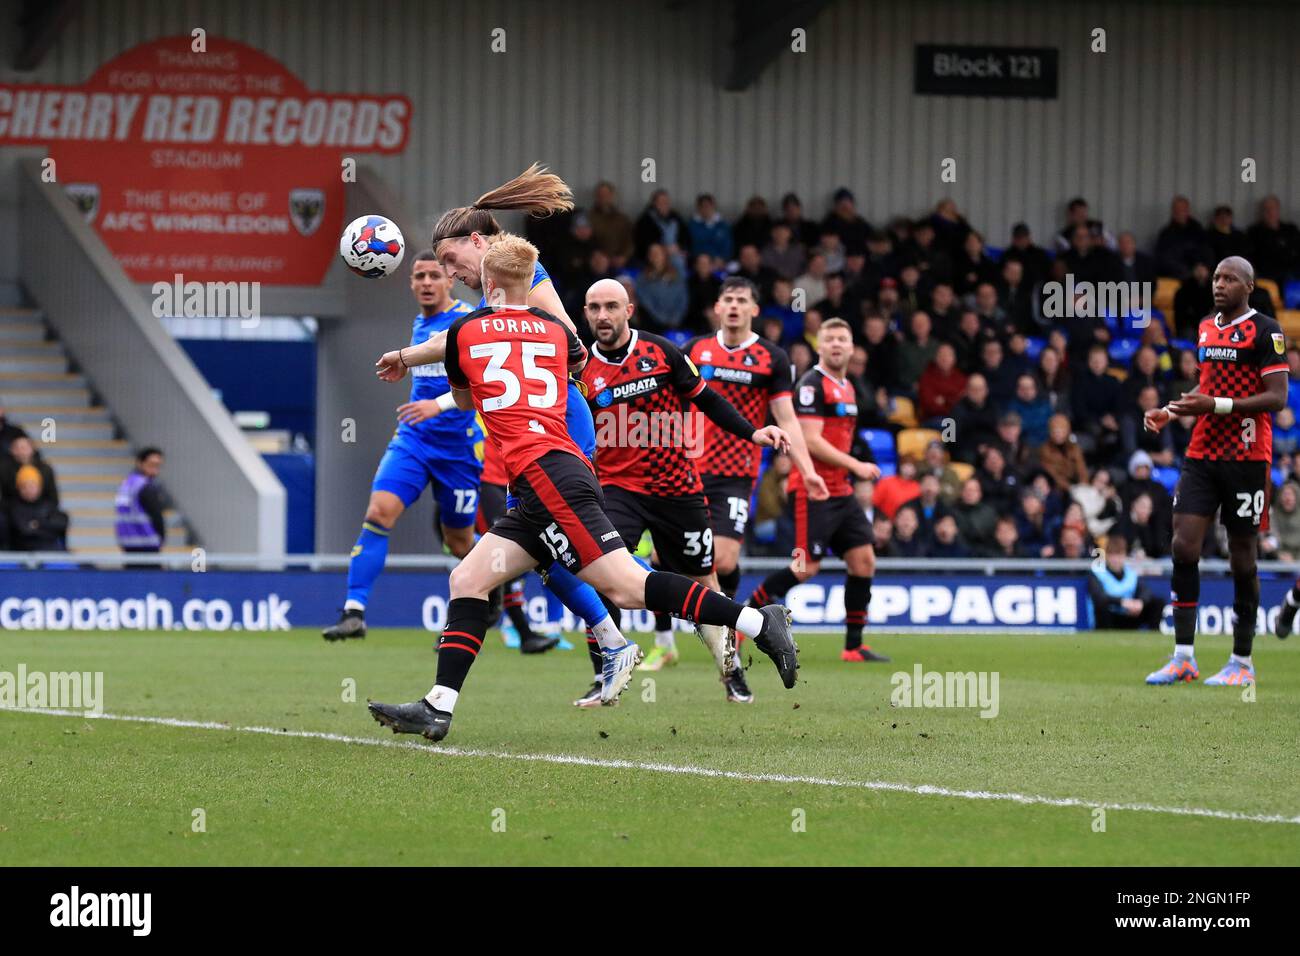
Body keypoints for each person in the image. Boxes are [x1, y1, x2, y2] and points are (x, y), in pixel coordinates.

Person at [367, 236, 799, 743]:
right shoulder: (557, 333)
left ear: (487, 283)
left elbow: (463, 399)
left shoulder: (465, 329)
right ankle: (438, 706)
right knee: (468, 579)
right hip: (550, 473)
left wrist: (409, 358)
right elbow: (569, 368)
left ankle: (757, 621)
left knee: (626, 587)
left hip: (545, 473)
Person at [387, 164, 634, 701]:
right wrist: (407, 358)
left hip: (558, 431)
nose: (448, 274)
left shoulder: (528, 281)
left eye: (451, 262)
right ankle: (616, 639)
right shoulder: (493, 300)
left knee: (596, 568)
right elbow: (463, 340)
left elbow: (570, 339)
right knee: (550, 558)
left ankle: (722, 621)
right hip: (533, 438)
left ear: (478, 241)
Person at [580, 277, 798, 703]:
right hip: (617, 490)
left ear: (629, 310)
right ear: (586, 313)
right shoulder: (580, 367)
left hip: (677, 489)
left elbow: (708, 399)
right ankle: (606, 670)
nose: (602, 316)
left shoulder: (660, 352)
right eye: (593, 308)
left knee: (707, 583)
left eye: (611, 307)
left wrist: (753, 433)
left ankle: (730, 670)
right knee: (602, 576)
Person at [321, 253, 499, 643]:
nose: (426, 282)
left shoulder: (466, 321)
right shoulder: (419, 323)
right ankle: (354, 611)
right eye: (419, 276)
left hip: (458, 450)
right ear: (411, 283)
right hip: (414, 441)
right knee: (379, 511)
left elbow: (486, 382)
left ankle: (489, 587)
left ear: (449, 280)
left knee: (459, 542)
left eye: (435, 275)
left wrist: (440, 404)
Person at [681, 277, 828, 691]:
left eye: (741, 300)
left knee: (722, 561)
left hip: (735, 474)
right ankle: (726, 654)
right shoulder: (694, 350)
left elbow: (787, 419)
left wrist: (807, 468)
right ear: (716, 307)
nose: (733, 306)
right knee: (686, 564)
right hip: (688, 469)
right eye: (727, 299)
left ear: (754, 309)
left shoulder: (772, 357)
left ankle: (730, 638)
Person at [1144, 257, 1286, 685]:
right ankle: (1183, 657)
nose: (1219, 285)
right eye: (1216, 278)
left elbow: (1277, 398)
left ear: (1249, 286)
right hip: (1203, 451)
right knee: (1184, 547)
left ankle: (1241, 663)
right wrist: (1172, 410)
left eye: (1229, 279)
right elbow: (1208, 387)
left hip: (1246, 457)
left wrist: (1217, 406)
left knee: (1242, 558)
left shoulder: (1267, 330)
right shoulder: (1206, 327)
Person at [747, 318, 890, 663]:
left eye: (843, 338)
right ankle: (748, 617)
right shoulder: (811, 385)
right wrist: (855, 465)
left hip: (840, 491)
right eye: (831, 339)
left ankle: (853, 646)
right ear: (819, 347)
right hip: (813, 491)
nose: (837, 344)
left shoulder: (848, 386)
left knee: (863, 559)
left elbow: (841, 437)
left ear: (853, 347)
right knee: (804, 568)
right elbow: (809, 440)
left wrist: (853, 466)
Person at [1089, 534, 1163, 630]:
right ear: (1106, 555)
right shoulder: (1097, 573)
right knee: (1101, 607)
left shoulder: (1131, 573)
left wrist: (1140, 602)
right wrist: (1122, 602)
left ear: (1124, 555)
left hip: (1128, 615)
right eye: (1112, 555)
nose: (1115, 559)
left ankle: (1155, 634)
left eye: (1119, 554)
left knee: (1157, 602)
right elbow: (1099, 597)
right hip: (1109, 618)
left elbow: (1145, 591)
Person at [114, 447, 166, 557]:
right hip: (147, 543)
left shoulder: (126, 484)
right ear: (140, 463)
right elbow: (156, 515)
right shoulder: (146, 487)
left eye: (158, 466)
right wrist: (161, 538)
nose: (155, 470)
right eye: (151, 465)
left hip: (128, 542)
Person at [7, 465, 68, 551]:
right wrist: (47, 525)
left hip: (50, 551)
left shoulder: (49, 505)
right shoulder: (13, 508)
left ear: (40, 487)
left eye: (32, 486)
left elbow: (62, 523)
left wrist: (37, 524)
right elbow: (24, 531)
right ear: (19, 488)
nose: (29, 490)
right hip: (23, 554)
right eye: (25, 486)